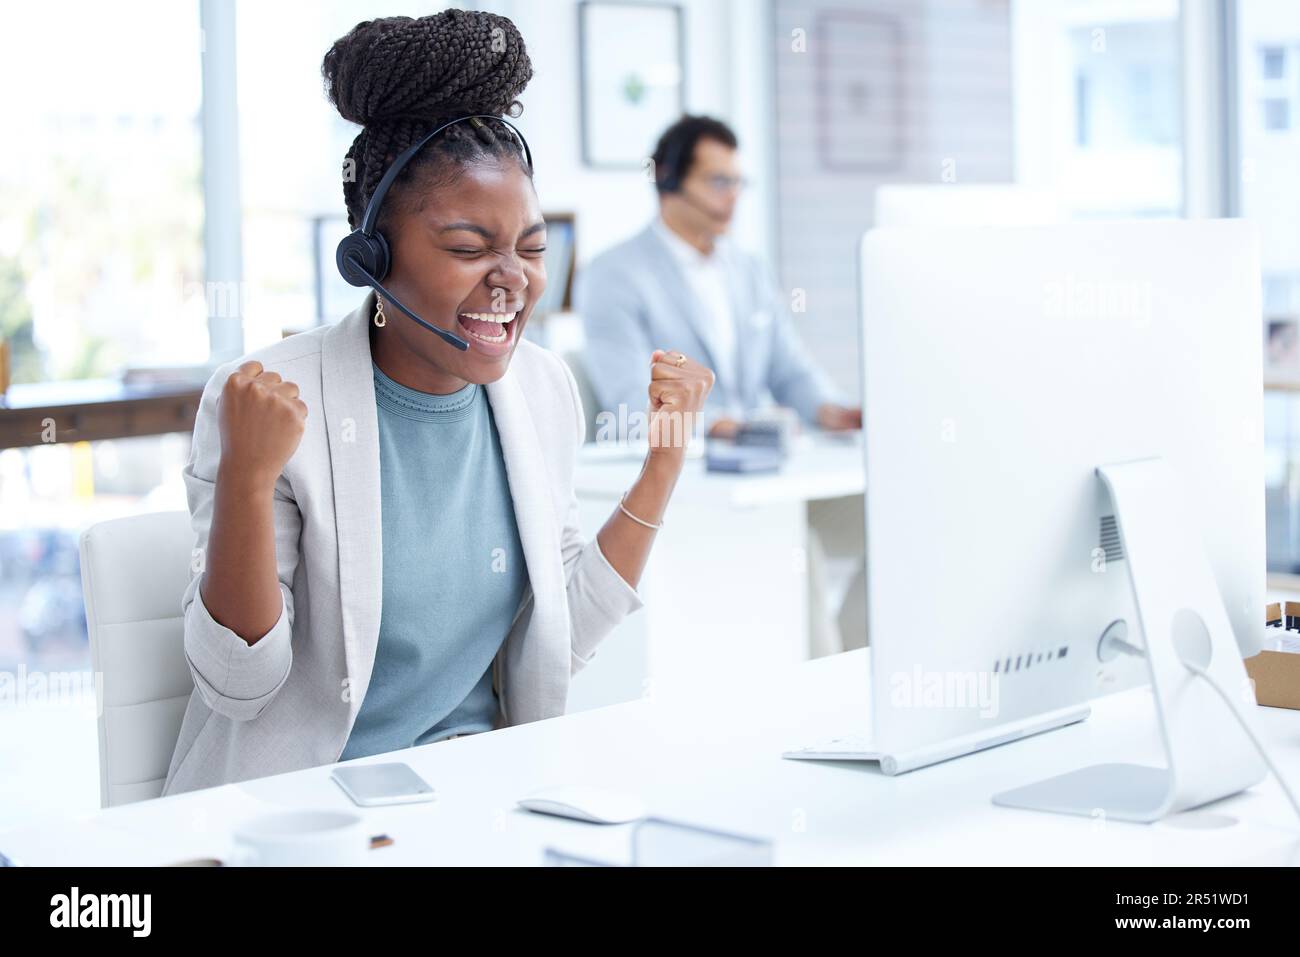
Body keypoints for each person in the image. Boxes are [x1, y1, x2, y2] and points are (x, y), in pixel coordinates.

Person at [161, 10, 713, 796]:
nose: (511, 277)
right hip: (304, 806)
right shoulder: (267, 400)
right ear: (371, 255)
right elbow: (239, 684)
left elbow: (557, 640)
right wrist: (248, 481)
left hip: (475, 794)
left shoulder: (541, 388)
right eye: (466, 248)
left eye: (530, 247)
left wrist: (664, 460)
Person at [576, 115, 859, 439]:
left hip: (758, 464)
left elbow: (789, 370)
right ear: (668, 180)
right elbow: (629, 401)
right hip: (681, 471)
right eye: (718, 182)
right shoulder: (612, 274)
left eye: (738, 183)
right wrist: (723, 427)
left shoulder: (749, 269)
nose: (733, 196)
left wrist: (830, 409)